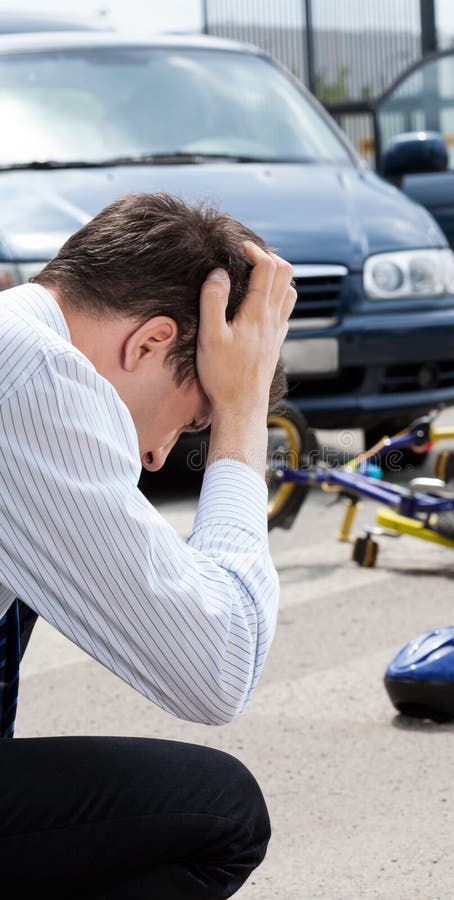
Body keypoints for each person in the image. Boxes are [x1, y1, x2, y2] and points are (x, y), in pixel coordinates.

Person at [0, 192, 296, 898]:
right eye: (192, 418)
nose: (160, 457)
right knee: (219, 814)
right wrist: (240, 418)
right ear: (151, 344)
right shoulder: (35, 375)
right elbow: (216, 669)